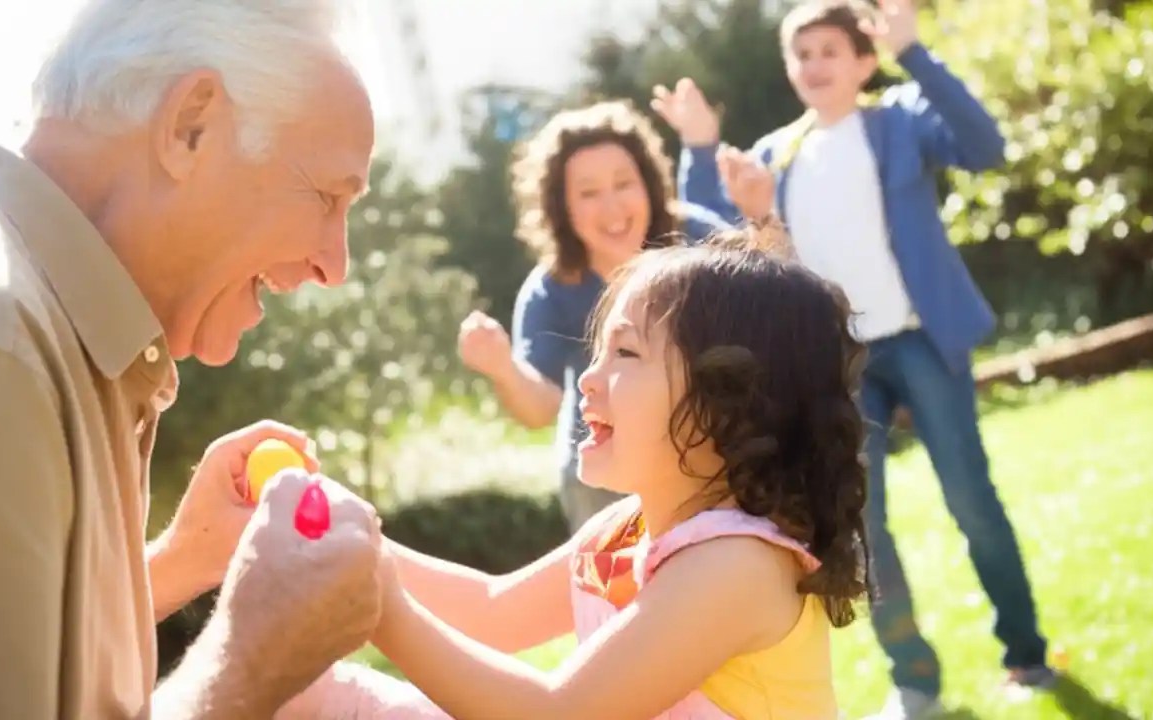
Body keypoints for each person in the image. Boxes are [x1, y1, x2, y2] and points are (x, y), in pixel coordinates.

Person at [0, 0, 386, 716]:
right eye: (328, 197)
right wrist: (247, 665)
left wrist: (185, 558)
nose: (333, 266)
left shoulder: (41, 334)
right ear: (191, 126)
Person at [280, 222, 871, 719]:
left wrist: (379, 607)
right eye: (598, 352)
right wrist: (343, 532)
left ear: (728, 404)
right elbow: (492, 610)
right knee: (309, 697)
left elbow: (559, 712)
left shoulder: (735, 565)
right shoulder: (627, 530)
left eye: (626, 354)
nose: (587, 379)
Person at [650, 0, 1053, 717]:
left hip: (923, 342)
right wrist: (704, 147)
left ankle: (1025, 656)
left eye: (829, 51)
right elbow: (706, 234)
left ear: (864, 63)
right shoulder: (776, 154)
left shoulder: (898, 120)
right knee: (864, 526)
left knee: (972, 502)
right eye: (801, 54)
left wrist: (917, 54)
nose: (813, 66)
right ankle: (915, 681)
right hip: (842, 368)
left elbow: (984, 145)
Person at [456, 100, 724, 531]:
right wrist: (501, 368)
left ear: (649, 184)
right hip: (605, 483)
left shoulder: (701, 240)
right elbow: (539, 409)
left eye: (623, 183)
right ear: (561, 209)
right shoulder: (551, 291)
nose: (612, 206)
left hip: (712, 455)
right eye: (588, 192)